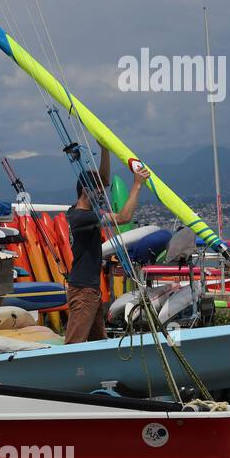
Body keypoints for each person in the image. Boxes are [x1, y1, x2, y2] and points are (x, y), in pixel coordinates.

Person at [64, 147, 149, 344]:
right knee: (74, 343)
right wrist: (137, 185)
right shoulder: (83, 217)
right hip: (83, 290)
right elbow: (124, 217)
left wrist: (104, 149)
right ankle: (68, 371)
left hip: (90, 290)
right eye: (98, 193)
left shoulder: (75, 211)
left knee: (98, 342)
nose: (102, 197)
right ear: (86, 192)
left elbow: (103, 180)